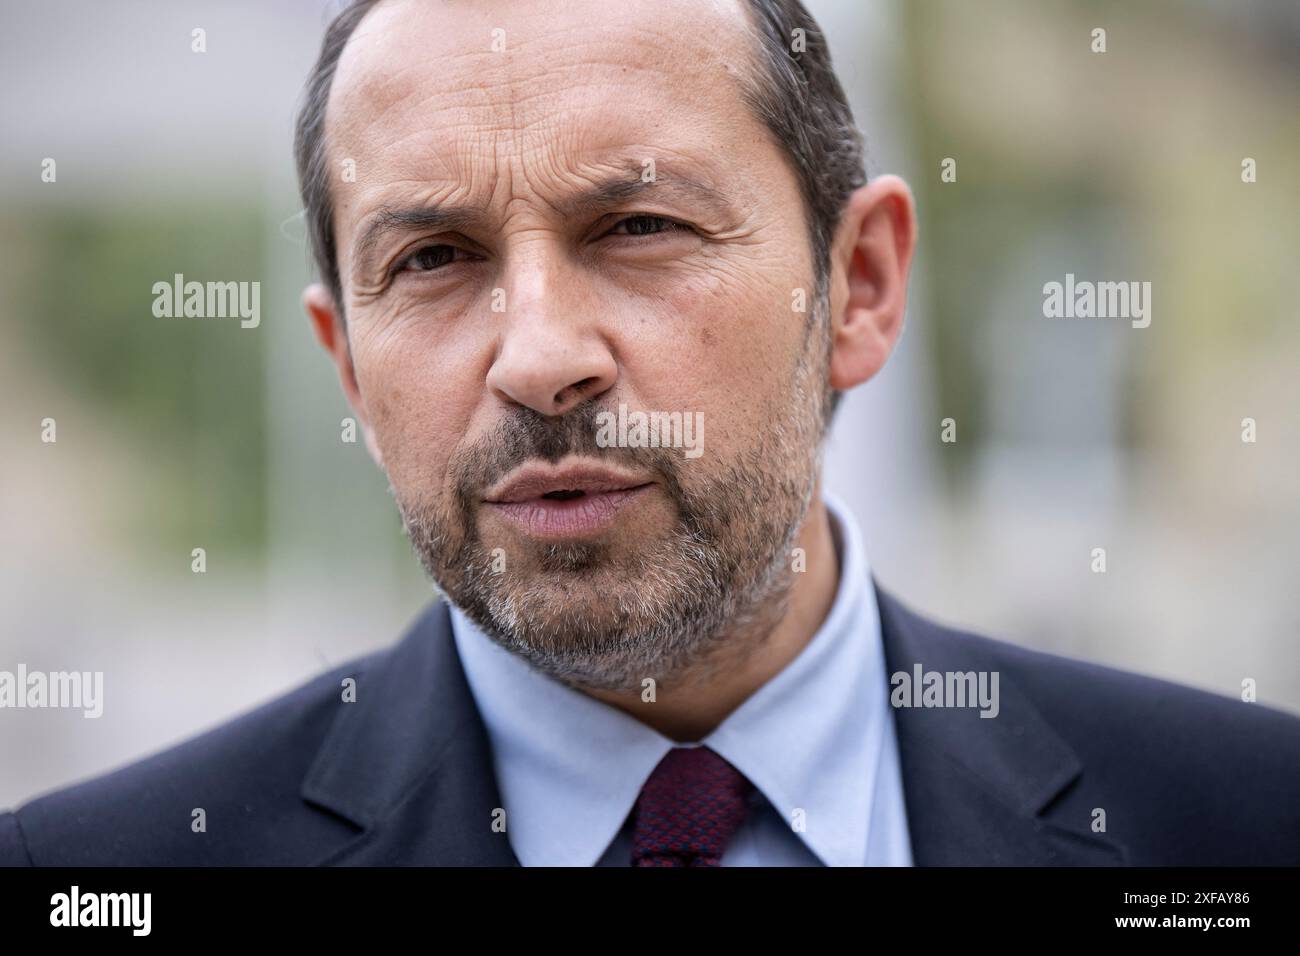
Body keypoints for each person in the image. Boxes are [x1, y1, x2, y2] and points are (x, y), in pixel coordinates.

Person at [3, 0, 1297, 867]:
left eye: (639, 229)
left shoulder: (1241, 823)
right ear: (347, 364)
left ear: (859, 288)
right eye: (435, 258)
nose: (541, 359)